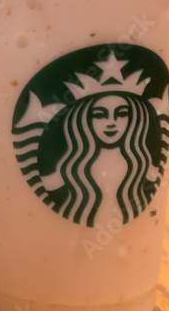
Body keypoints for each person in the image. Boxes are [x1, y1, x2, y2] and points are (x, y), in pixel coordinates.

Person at [40, 92, 162, 227]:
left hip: (137, 237)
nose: (111, 122)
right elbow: (48, 184)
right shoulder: (72, 164)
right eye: (99, 115)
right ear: (84, 119)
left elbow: (155, 177)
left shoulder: (140, 161)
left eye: (121, 114)